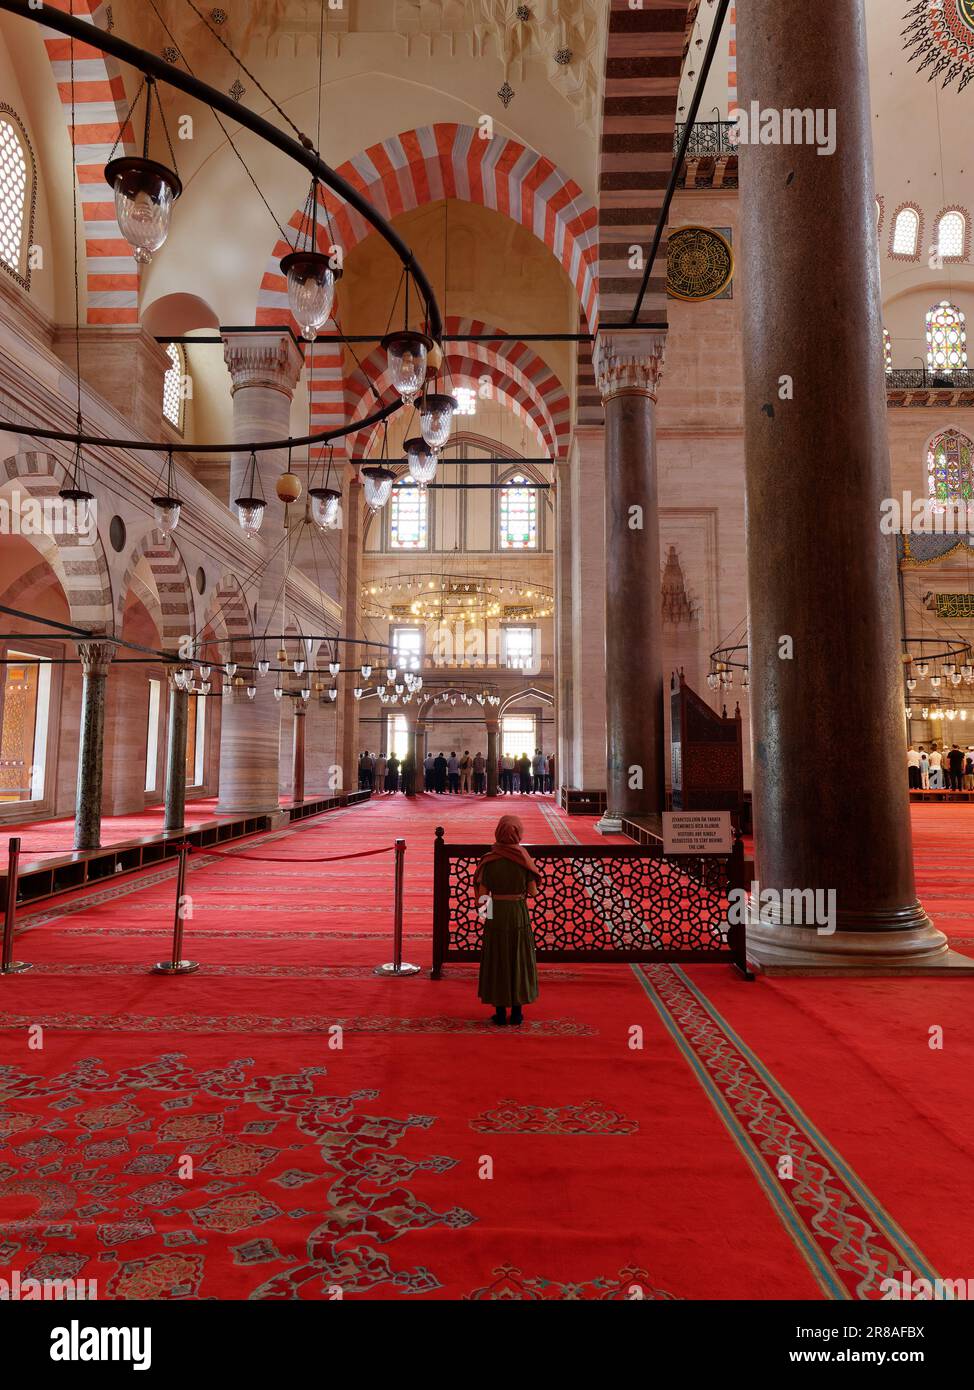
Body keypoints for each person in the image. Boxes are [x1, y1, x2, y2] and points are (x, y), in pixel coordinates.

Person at [473, 814, 540, 1027]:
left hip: (496, 912)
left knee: (497, 958)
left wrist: (488, 918)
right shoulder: (523, 858)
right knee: (518, 957)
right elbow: (533, 892)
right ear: (518, 833)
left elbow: (482, 897)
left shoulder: (489, 859)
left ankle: (500, 1013)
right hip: (518, 912)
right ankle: (517, 1013)